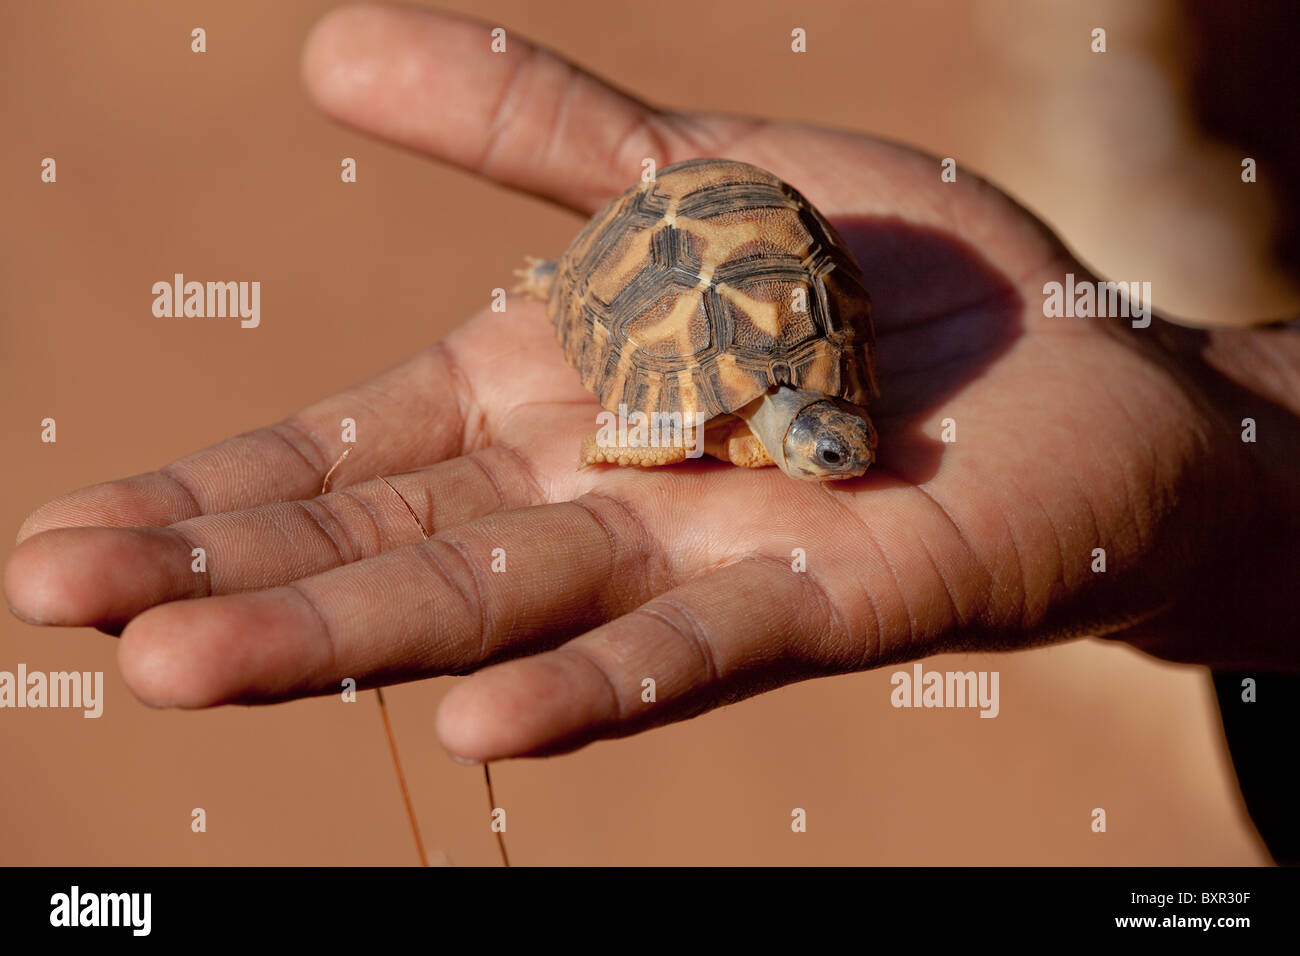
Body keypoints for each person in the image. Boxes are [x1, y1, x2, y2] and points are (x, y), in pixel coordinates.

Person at [5, 8, 1297, 841]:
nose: (843, 459)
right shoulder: (707, 419)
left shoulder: (842, 402)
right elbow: (645, 427)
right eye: (829, 447)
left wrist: (1242, 456)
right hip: (646, 275)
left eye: (835, 449)